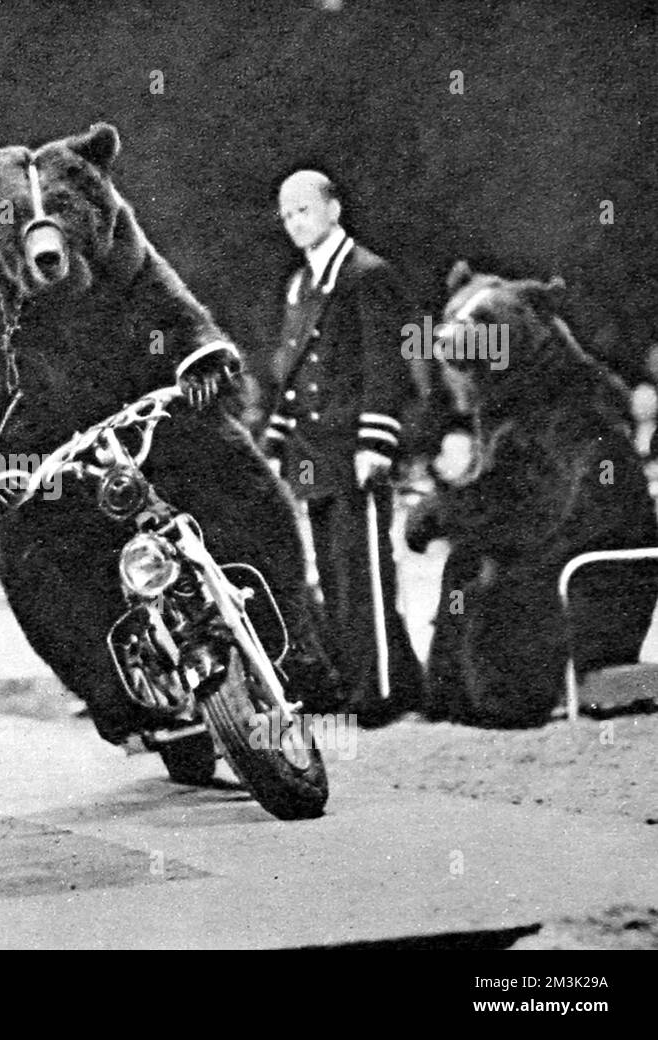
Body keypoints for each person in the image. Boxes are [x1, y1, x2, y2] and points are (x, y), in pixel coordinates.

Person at [260, 169, 422, 722]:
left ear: (333, 208)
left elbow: (386, 364)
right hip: (312, 452)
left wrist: (375, 442)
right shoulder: (302, 283)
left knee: (365, 575)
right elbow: (293, 372)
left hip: (353, 448)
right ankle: (381, 682)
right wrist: (275, 443)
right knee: (332, 574)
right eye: (285, 215)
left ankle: (378, 694)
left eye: (302, 210)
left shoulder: (366, 275)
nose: (293, 223)